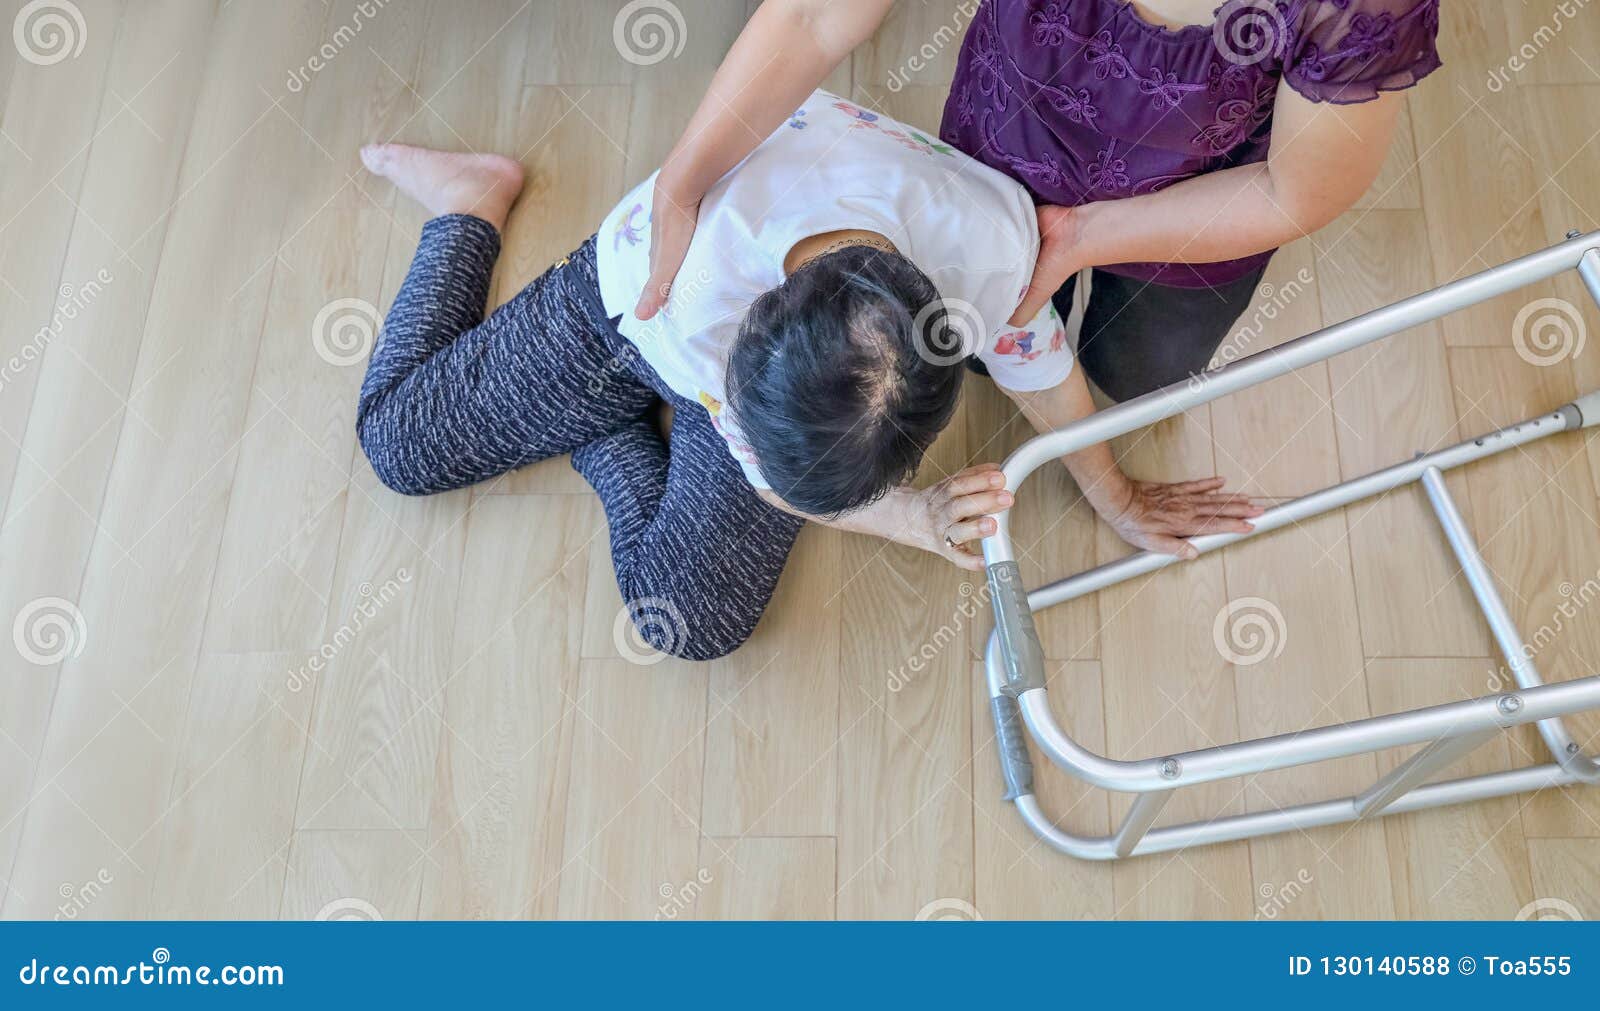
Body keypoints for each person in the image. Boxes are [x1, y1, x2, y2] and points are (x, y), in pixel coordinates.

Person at [354, 89, 1260, 660]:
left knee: (691, 623)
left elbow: (1037, 365)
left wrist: (1115, 493)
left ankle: (599, 427)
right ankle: (467, 204)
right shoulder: (701, 275)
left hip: (753, 377)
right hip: (637, 311)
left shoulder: (995, 255)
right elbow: (779, 477)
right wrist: (908, 518)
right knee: (396, 442)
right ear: (754, 333)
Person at [635, 0, 1441, 396]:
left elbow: (1292, 188)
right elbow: (814, 17)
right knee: (980, 349)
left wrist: (1082, 237)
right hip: (997, 143)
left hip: (1199, 215)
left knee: (1135, 377)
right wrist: (681, 184)